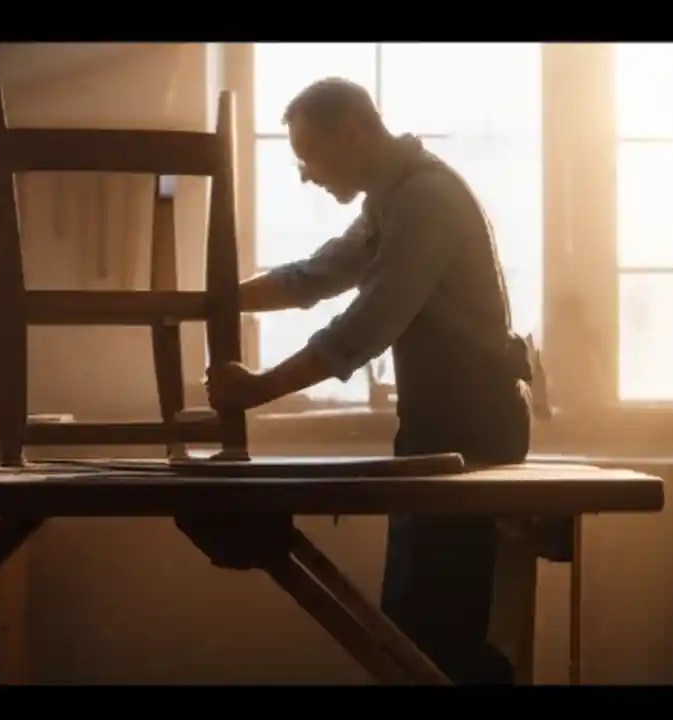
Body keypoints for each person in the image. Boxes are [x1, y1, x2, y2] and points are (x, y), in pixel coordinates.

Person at [203, 77, 538, 684]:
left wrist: (257, 390)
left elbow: (364, 327)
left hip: (474, 430)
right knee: (410, 624)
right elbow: (315, 275)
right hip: (438, 430)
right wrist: (216, 300)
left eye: (310, 155)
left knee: (437, 634)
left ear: (354, 131)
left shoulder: (425, 201)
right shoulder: (390, 201)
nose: (306, 174)